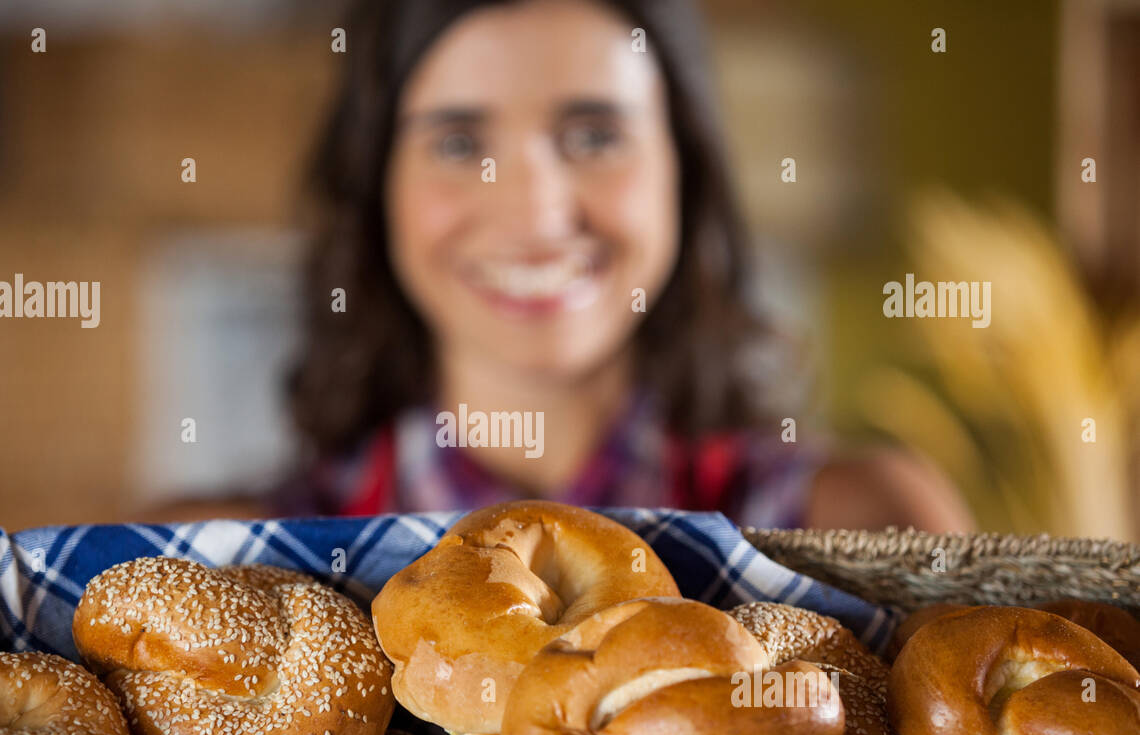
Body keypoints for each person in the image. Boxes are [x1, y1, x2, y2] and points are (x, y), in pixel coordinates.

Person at [145, 0, 975, 532]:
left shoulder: (866, 520)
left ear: (683, 171)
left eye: (595, 136)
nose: (539, 215)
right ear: (376, 192)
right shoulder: (225, 559)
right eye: (460, 143)